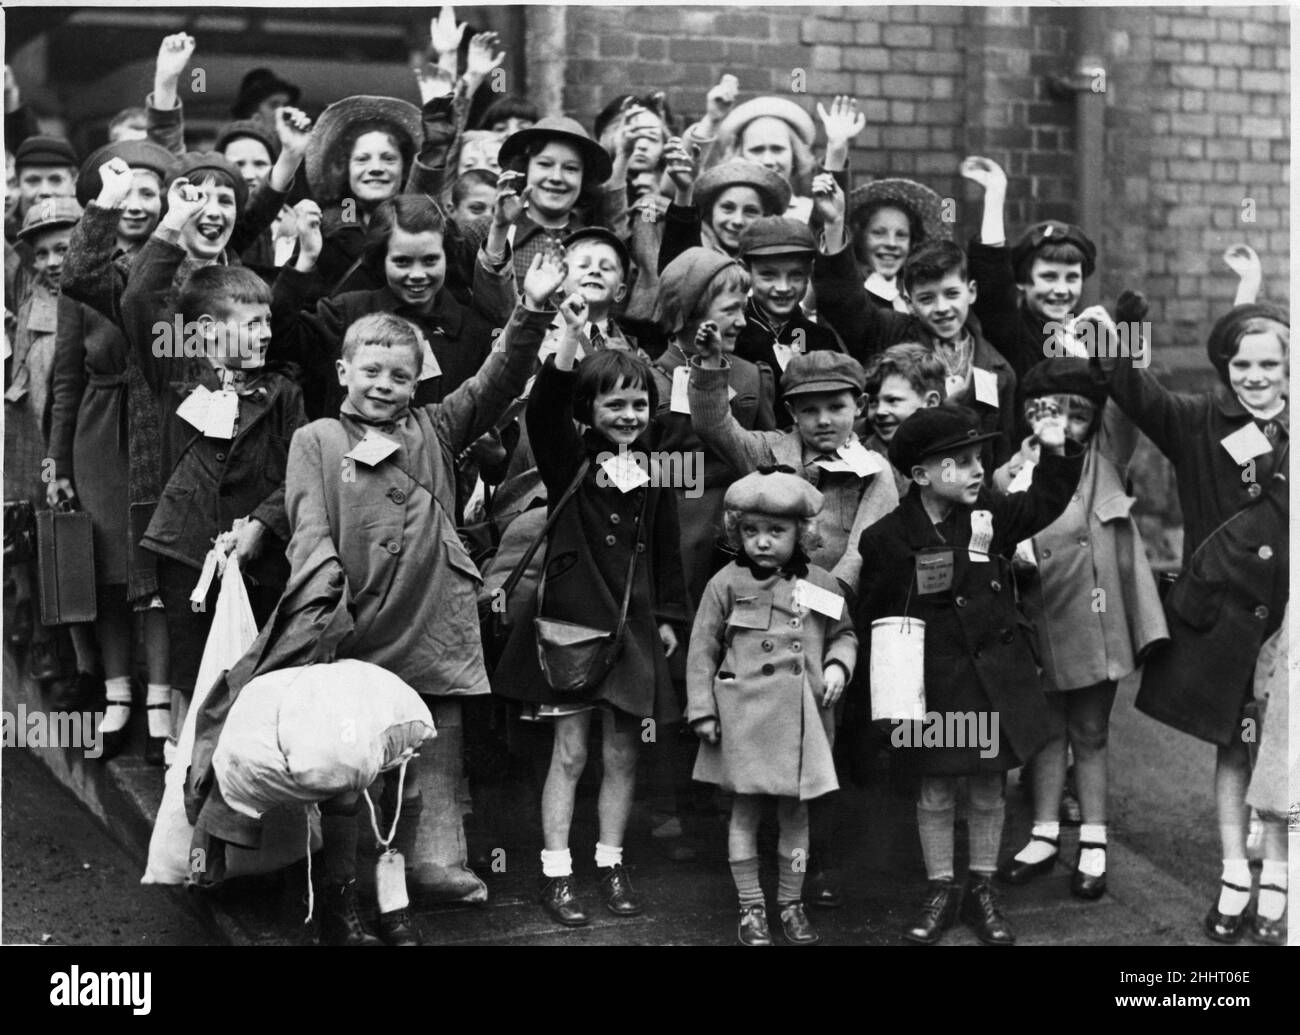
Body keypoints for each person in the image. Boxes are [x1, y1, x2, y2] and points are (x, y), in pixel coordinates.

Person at [1090, 282, 1289, 945]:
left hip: (1287, 626)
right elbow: (1132, 387)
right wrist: (1126, 330)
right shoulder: (1199, 419)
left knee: (1285, 752)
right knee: (1235, 749)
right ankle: (1235, 873)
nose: (1256, 377)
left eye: (1271, 364)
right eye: (1243, 366)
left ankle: (1281, 877)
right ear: (1223, 369)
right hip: (1226, 619)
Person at [492, 287, 689, 929]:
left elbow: (666, 552)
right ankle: (557, 872)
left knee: (626, 752)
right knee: (570, 754)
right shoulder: (569, 458)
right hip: (573, 623)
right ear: (590, 409)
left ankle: (610, 862)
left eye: (640, 404)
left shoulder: (658, 469)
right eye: (614, 403)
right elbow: (545, 407)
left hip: (630, 627)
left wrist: (667, 620)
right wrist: (571, 338)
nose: (629, 414)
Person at [854, 403, 1083, 945]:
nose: (978, 470)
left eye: (979, 458)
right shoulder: (886, 539)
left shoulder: (991, 517)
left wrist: (1055, 449)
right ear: (920, 476)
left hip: (991, 683)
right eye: (959, 462)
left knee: (987, 787)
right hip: (928, 687)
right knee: (933, 788)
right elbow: (876, 625)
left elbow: (1048, 499)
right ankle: (941, 888)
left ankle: (981, 886)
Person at [688, 341, 898, 905]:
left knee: (830, 747)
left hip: (829, 615)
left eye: (836, 406)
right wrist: (709, 367)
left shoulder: (876, 470)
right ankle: (750, 885)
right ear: (791, 413)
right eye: (808, 409)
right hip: (759, 614)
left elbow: (862, 548)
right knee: (755, 765)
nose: (823, 420)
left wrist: (821, 602)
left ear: (860, 405)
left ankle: (816, 870)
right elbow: (714, 425)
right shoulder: (770, 450)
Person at [117, 175, 308, 759]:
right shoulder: (176, 373)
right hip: (187, 555)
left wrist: (262, 525)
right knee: (194, 673)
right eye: (250, 324)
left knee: (255, 674)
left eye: (267, 322)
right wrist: (173, 223)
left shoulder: (282, 391)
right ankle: (190, 781)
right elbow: (138, 301)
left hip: (261, 552)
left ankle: (247, 781)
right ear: (202, 332)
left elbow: (297, 471)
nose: (265, 333)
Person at [992, 359, 1168, 901]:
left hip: (1095, 618)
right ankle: (1044, 834)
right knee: (1045, 733)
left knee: (1089, 732)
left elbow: (1129, 405)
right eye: (1050, 412)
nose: (1064, 425)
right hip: (1037, 613)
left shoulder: (1105, 457)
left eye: (1077, 414)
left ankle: (1094, 839)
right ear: (1029, 414)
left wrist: (1123, 345)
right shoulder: (1009, 472)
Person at [687, 469, 857, 946]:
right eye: (750, 531)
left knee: (796, 817)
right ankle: (751, 907)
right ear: (736, 532)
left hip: (802, 722)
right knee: (743, 814)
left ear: (802, 533)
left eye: (776, 532)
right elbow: (701, 649)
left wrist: (839, 666)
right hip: (743, 720)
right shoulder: (725, 582)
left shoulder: (821, 583)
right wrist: (702, 709)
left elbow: (844, 634)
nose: (762, 542)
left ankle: (791, 901)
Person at [46, 143, 175, 759]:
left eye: (148, 191)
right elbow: (64, 380)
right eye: (122, 191)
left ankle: (159, 704)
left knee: (153, 569)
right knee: (108, 568)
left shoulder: (174, 265)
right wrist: (56, 467)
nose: (135, 203)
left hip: (159, 430)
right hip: (97, 434)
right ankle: (118, 694)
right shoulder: (84, 276)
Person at [815, 173, 1017, 476]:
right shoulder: (891, 333)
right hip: (897, 484)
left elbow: (1001, 453)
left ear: (971, 292)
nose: (942, 308)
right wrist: (833, 225)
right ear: (909, 302)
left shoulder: (998, 368)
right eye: (926, 298)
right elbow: (844, 302)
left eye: (951, 294)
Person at [272, 193, 497, 420]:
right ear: (382, 259)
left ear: (447, 256)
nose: (417, 274)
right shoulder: (348, 311)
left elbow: (495, 407)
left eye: (430, 260)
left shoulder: (475, 332)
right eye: (402, 261)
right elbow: (276, 341)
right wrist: (307, 258)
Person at [651, 247, 775, 604]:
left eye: (743, 308)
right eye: (730, 310)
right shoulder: (648, 380)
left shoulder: (753, 376)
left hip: (744, 535)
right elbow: (626, 467)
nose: (741, 321)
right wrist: (689, 474)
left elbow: (766, 456)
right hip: (675, 537)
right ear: (691, 314)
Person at [733, 215, 842, 427]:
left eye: (795, 275)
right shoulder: (733, 333)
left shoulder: (820, 339)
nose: (783, 287)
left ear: (809, 273)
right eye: (768, 275)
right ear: (745, 271)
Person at [845, 178, 949, 313]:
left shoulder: (917, 294)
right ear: (860, 238)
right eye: (879, 233)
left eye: (901, 235)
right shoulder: (848, 292)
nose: (891, 243)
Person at [862, 342, 946, 496]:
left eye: (893, 400)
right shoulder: (863, 460)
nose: (880, 411)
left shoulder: (952, 454)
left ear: (930, 402)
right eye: (873, 402)